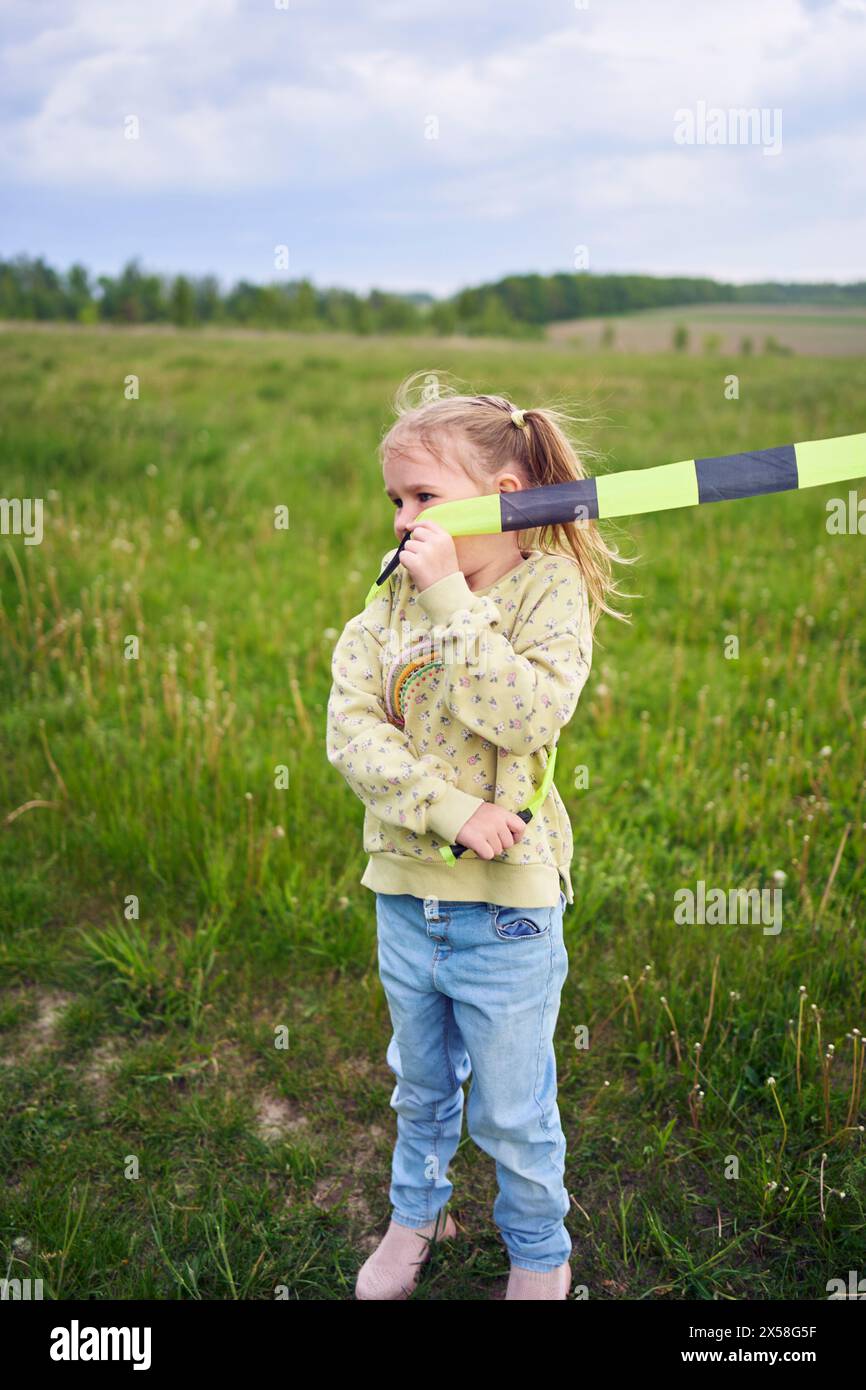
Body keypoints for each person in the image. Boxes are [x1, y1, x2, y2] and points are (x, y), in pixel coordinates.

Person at [326, 371, 632, 1299]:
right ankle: (417, 1216)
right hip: (406, 892)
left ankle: (541, 1252)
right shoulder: (387, 605)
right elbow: (353, 732)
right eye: (396, 499)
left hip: (508, 911)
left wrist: (456, 600)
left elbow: (526, 714)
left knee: (510, 1108)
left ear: (502, 499)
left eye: (424, 496)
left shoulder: (548, 594)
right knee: (419, 1087)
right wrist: (452, 812)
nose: (401, 518)